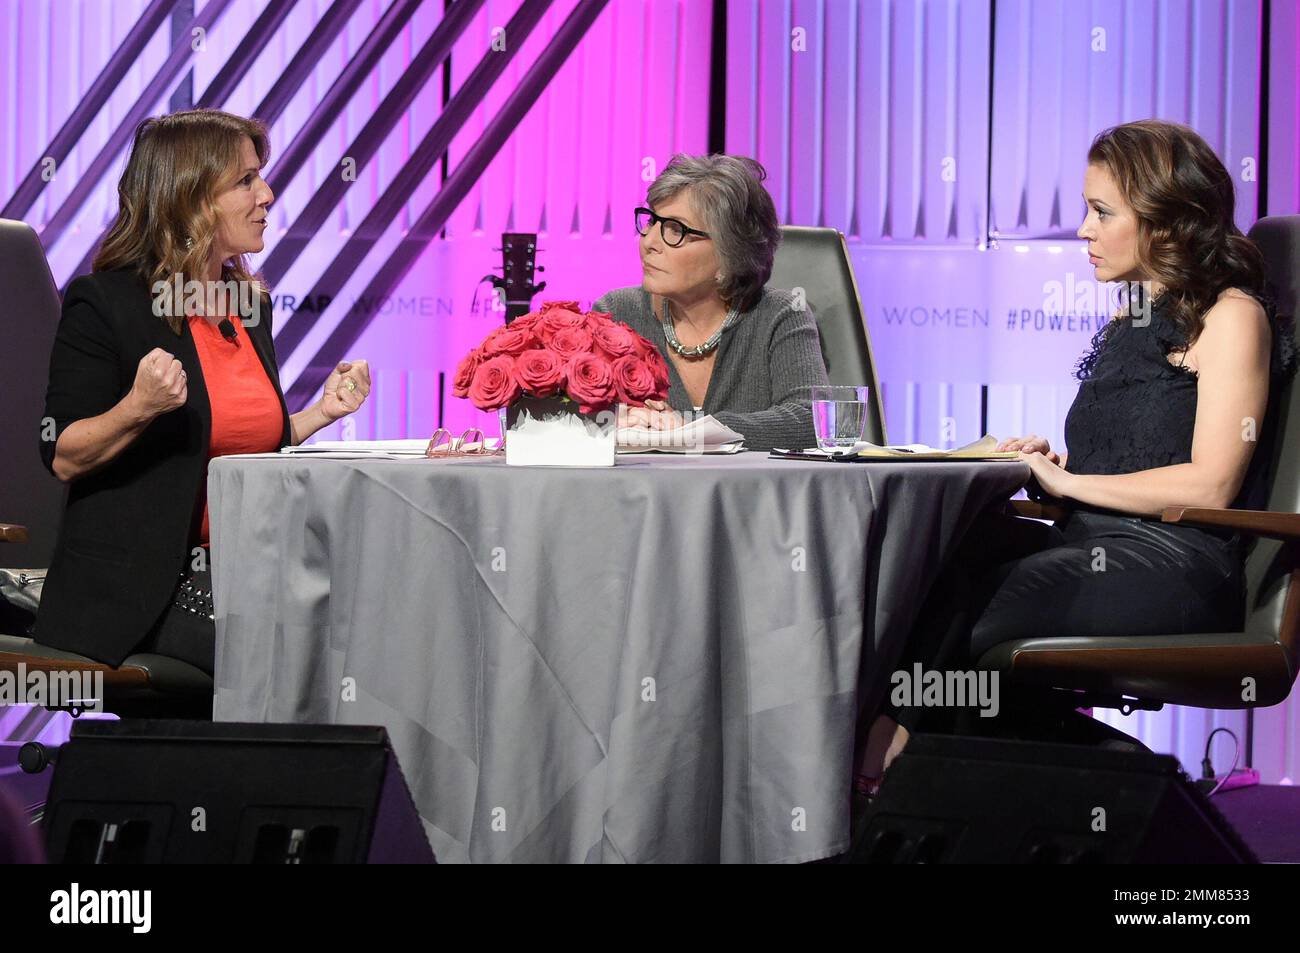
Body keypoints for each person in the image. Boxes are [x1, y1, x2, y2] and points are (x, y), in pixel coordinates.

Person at [858, 119, 1298, 789]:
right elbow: (1135, 455)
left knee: (977, 608)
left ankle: (888, 758)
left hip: (1175, 568)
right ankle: (1112, 782)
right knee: (931, 555)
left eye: (1101, 211)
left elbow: (1209, 483)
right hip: (1091, 544)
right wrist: (1052, 467)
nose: (1082, 229)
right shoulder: (1132, 316)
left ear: (1166, 220)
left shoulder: (1231, 314)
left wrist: (1069, 486)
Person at [34, 109, 371, 676]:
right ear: (189, 199)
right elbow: (63, 454)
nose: (267, 194)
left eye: (260, 176)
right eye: (245, 181)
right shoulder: (107, 304)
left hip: (248, 567)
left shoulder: (248, 306)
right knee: (301, 657)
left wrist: (317, 414)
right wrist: (137, 408)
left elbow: (232, 443)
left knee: (366, 624)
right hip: (145, 589)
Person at [594, 154, 829, 451]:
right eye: (652, 221)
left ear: (730, 253)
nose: (649, 242)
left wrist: (690, 429)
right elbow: (582, 419)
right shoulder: (616, 314)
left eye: (675, 230)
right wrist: (615, 420)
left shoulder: (781, 314)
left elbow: (812, 421)